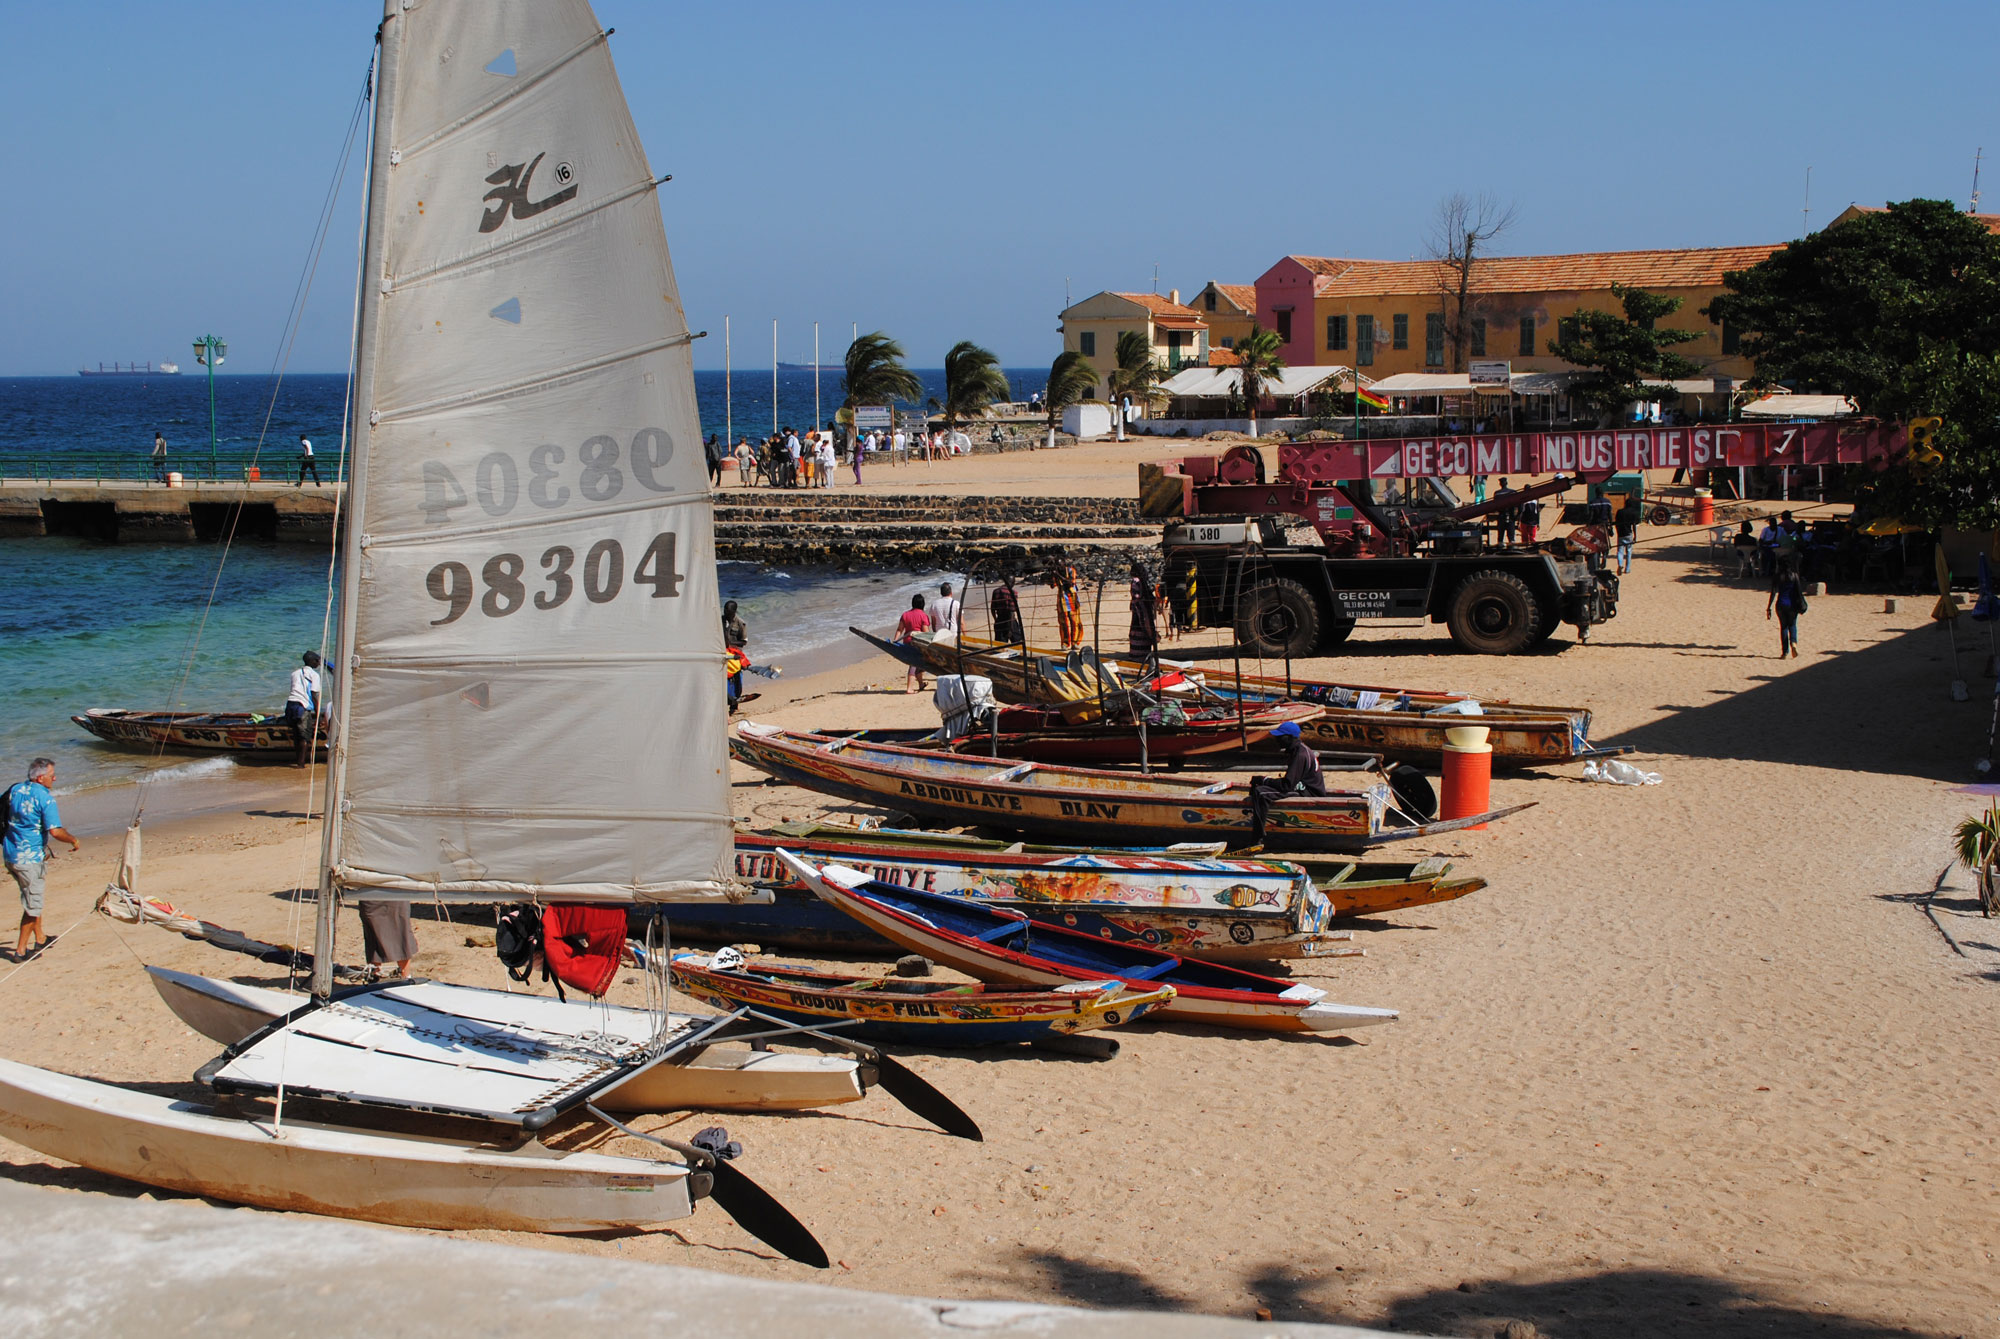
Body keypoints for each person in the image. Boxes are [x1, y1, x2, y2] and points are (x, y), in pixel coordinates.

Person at [5, 759, 78, 961]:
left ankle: (41, 937)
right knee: (33, 905)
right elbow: (55, 831)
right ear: (40, 777)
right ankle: (21, 951)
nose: (54, 778)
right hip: (30, 860)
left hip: (11, 855)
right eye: (51, 774)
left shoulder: (15, 790)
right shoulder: (45, 798)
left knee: (31, 897)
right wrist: (73, 840)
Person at [1245, 721, 1327, 846]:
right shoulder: (1299, 750)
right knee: (1262, 788)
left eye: (1280, 737)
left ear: (1289, 737)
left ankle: (1257, 838)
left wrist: (1264, 780)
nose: (1277, 739)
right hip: (1301, 788)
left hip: (1308, 793)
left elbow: (1287, 785)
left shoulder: (1300, 754)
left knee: (1261, 793)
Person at [356, 900, 415, 981]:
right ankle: (373, 976)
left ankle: (406, 977)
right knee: (373, 933)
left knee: (401, 931)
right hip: (370, 894)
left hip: (395, 893)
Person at [284, 650, 323, 768]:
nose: (319, 663)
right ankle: (301, 764)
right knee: (305, 737)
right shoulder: (314, 675)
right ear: (312, 661)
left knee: (296, 735)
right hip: (302, 707)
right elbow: (314, 695)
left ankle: (298, 760)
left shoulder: (294, 673)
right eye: (317, 660)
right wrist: (318, 714)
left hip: (291, 705)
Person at [892, 594, 932, 693]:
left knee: (917, 664)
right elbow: (926, 633)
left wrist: (895, 641)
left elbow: (899, 629)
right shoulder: (923, 616)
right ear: (923, 604)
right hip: (917, 643)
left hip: (907, 642)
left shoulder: (905, 615)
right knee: (914, 664)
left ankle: (921, 684)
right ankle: (909, 688)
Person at [1768, 565, 1806, 658]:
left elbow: (1773, 592)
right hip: (1792, 605)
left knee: (1783, 627)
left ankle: (1785, 652)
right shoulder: (1794, 576)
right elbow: (1799, 591)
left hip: (1781, 604)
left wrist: (1769, 607)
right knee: (1792, 625)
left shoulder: (1777, 576)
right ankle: (1793, 643)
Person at [1128, 561, 1160, 658]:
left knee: (1138, 633)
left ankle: (1137, 657)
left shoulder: (1135, 581)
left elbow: (1136, 597)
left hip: (1139, 613)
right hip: (1144, 611)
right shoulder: (1143, 581)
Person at [722, 600, 748, 712]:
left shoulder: (740, 623)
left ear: (734, 611)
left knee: (737, 679)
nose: (726, 613)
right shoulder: (719, 621)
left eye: (728, 611)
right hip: (722, 654)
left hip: (735, 656)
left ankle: (734, 705)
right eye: (724, 610)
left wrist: (730, 644)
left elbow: (743, 642)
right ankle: (725, 703)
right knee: (723, 680)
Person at [990, 574, 1023, 644]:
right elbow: (1011, 611)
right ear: (1012, 582)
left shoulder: (996, 591)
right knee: (1017, 643)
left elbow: (992, 609)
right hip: (1010, 621)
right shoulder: (1013, 593)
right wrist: (1010, 629)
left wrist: (996, 620)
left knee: (1000, 645)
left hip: (1000, 619)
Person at [1613, 497, 1641, 575]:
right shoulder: (1633, 513)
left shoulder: (1620, 512)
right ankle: (1627, 568)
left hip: (1621, 534)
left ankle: (1620, 564)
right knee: (1629, 551)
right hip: (1629, 534)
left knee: (1620, 551)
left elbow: (1616, 523)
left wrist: (1617, 531)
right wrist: (1635, 535)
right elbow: (1634, 525)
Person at [1495, 479, 1517, 546]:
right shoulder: (1513, 492)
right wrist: (1516, 516)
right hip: (1511, 516)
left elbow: (1495, 505)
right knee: (1511, 537)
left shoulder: (1497, 493)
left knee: (1500, 536)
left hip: (1501, 515)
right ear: (1507, 483)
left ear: (1500, 484)